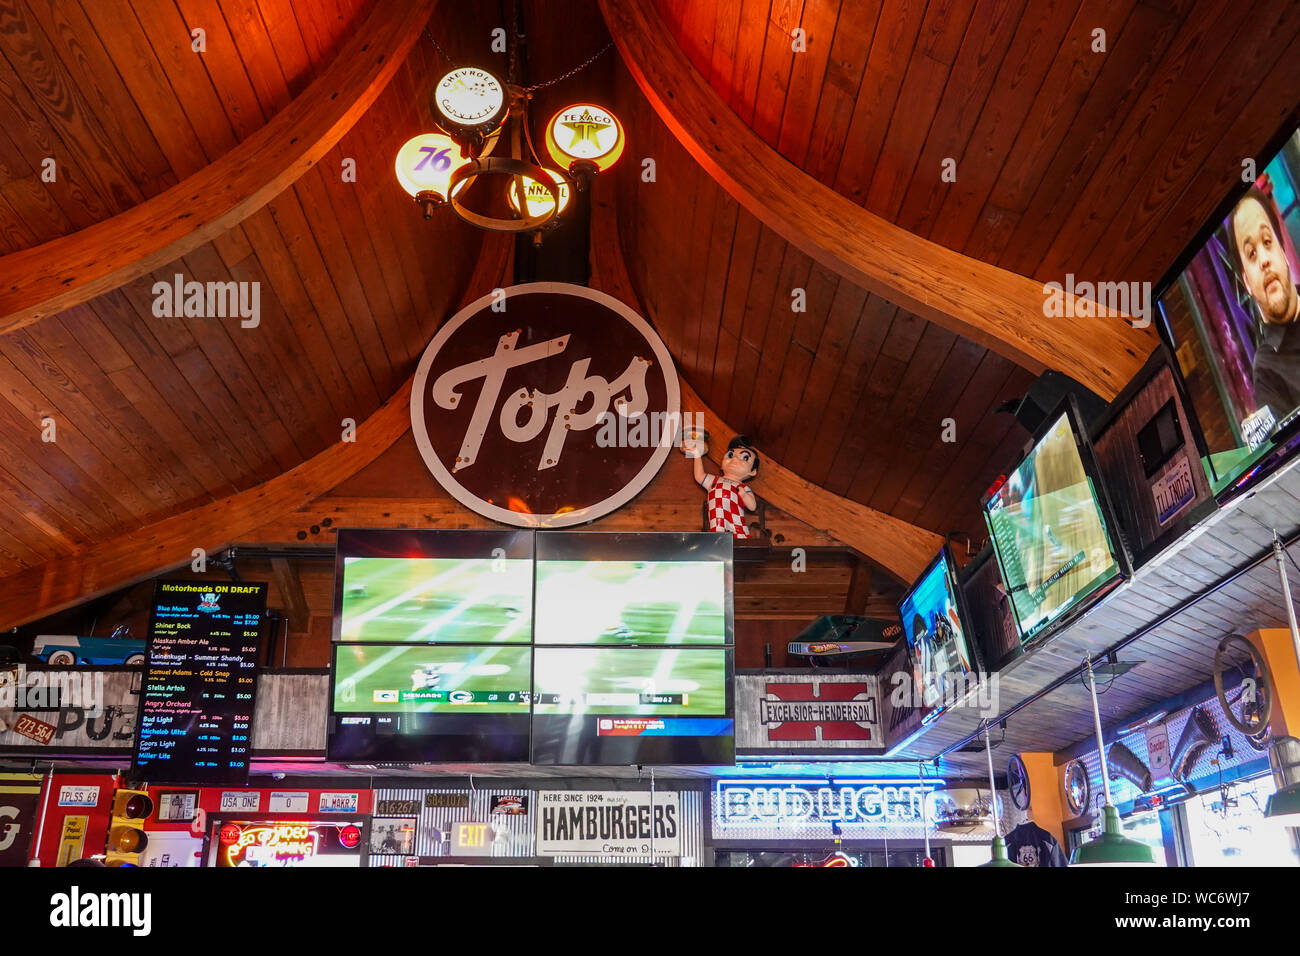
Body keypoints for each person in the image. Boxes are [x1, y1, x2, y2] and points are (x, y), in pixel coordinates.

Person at [1229, 187, 1300, 421]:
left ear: (1282, 249)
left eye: (1268, 242)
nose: (1264, 260)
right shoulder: (1266, 371)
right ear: (1247, 282)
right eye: (1251, 254)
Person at [683, 434, 760, 539]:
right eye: (730, 455)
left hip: (737, 523)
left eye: (745, 458)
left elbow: (752, 506)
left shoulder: (743, 487)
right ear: (721, 464)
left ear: (753, 471)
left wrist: (744, 495)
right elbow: (699, 476)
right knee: (717, 534)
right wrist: (697, 455)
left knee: (741, 538)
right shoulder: (714, 480)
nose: (735, 459)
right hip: (717, 520)